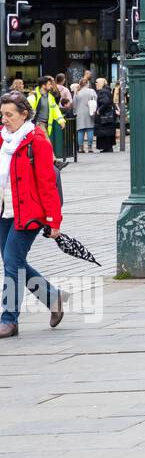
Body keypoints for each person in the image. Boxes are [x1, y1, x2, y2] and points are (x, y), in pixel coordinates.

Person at [0, 92, 69, 339]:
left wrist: (53, 220)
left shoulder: (37, 140)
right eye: (2, 115)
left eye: (9, 115)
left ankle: (8, 320)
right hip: (5, 211)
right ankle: (54, 298)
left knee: (11, 262)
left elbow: (47, 183)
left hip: (29, 213)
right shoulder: (2, 139)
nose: (4, 120)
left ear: (24, 114)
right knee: (13, 262)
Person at [73, 79, 97, 153]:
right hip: (89, 112)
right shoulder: (91, 91)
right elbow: (95, 100)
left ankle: (81, 148)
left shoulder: (77, 93)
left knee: (80, 130)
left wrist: (75, 112)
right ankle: (90, 148)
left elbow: (74, 103)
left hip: (79, 113)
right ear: (87, 83)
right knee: (90, 129)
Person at [93, 78, 117, 152]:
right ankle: (108, 147)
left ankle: (106, 147)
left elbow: (105, 102)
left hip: (104, 116)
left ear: (101, 83)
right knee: (108, 132)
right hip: (108, 116)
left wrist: (99, 109)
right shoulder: (107, 90)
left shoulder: (103, 92)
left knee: (104, 132)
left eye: (96, 82)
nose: (95, 84)